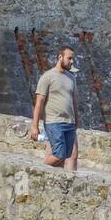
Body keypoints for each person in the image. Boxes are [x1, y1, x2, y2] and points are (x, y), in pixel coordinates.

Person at [29, 44, 80, 174]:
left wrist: (76, 121)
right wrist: (34, 126)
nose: (72, 61)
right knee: (59, 155)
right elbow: (39, 102)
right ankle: (35, 172)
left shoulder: (71, 78)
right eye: (69, 58)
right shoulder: (48, 76)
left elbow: (73, 102)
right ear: (60, 57)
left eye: (72, 58)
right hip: (54, 122)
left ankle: (64, 184)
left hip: (69, 123)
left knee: (70, 156)